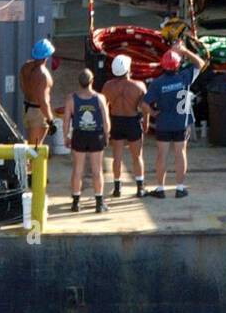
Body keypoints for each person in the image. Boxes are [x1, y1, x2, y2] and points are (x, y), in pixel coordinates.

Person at [141, 44, 207, 199]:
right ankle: (180, 187)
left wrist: (153, 113)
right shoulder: (185, 76)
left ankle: (160, 188)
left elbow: (144, 104)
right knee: (180, 153)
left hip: (164, 123)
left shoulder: (157, 83)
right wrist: (185, 51)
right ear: (178, 65)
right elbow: (201, 64)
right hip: (181, 123)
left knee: (162, 155)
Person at [62, 68, 110, 213]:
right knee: (97, 170)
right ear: (92, 81)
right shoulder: (99, 98)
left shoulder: (72, 98)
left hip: (79, 135)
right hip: (95, 135)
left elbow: (65, 121)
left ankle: (76, 203)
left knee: (78, 169)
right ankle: (99, 203)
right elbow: (106, 120)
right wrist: (106, 135)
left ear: (79, 82)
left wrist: (66, 136)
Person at [102, 54, 147, 198]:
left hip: (116, 121)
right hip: (132, 121)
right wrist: (146, 122)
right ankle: (140, 187)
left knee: (117, 157)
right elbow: (144, 107)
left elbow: (104, 106)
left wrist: (106, 124)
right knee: (137, 156)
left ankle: (117, 187)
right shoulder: (138, 86)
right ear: (128, 69)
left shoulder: (108, 86)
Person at [19, 38, 56, 147]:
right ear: (46, 56)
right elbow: (43, 101)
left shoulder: (25, 67)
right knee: (35, 148)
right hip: (38, 112)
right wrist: (50, 120)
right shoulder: (43, 75)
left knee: (32, 146)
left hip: (27, 108)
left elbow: (23, 86)